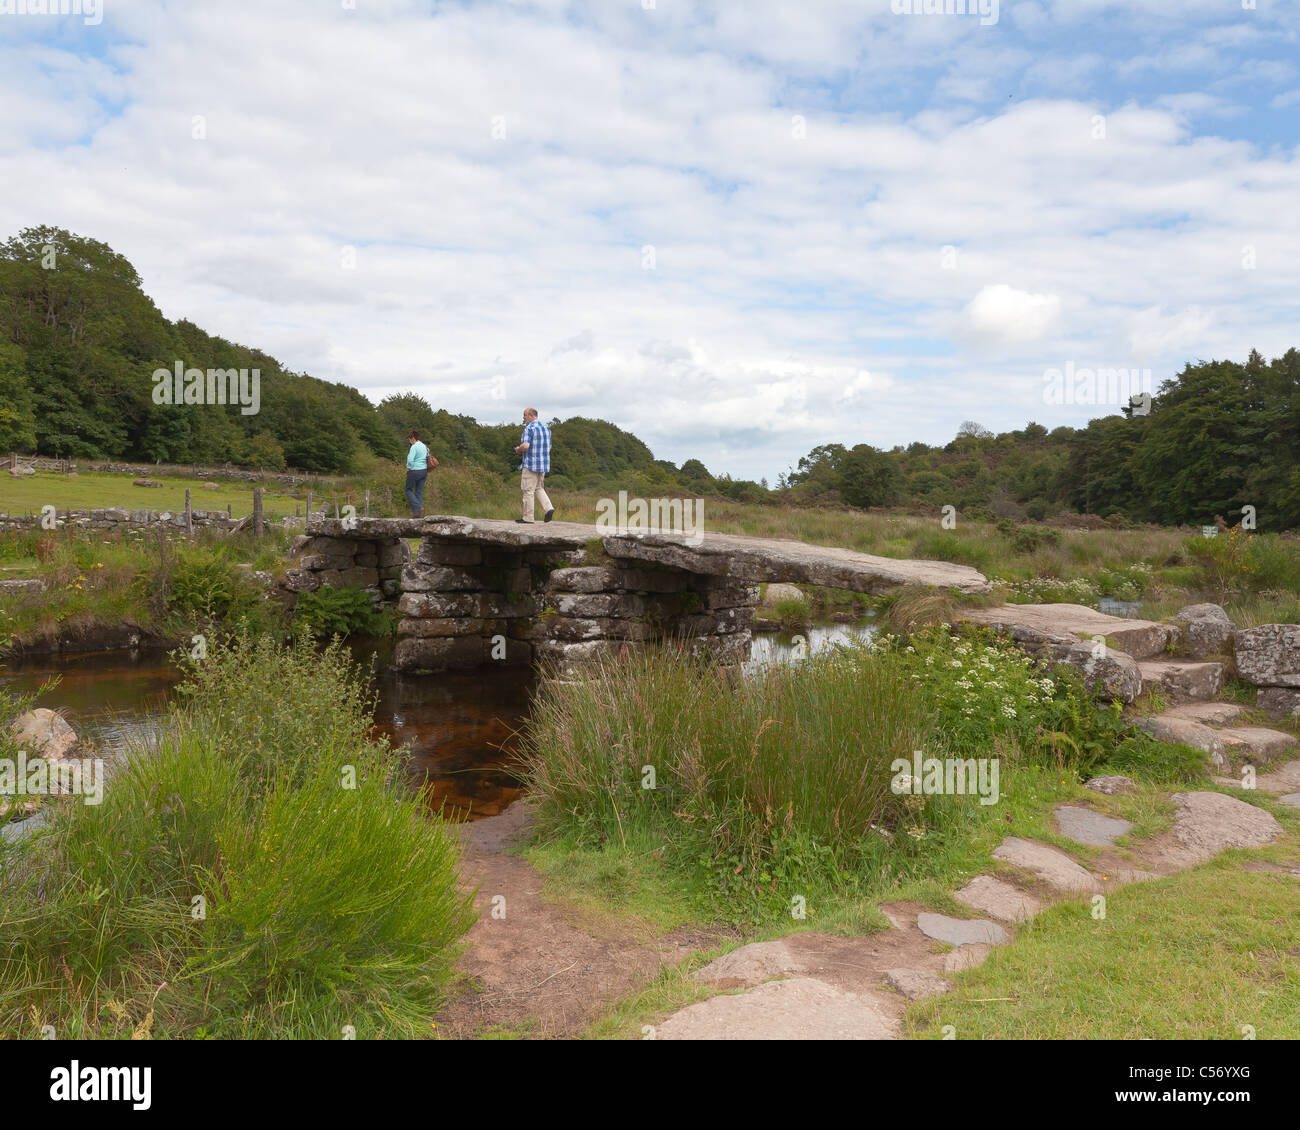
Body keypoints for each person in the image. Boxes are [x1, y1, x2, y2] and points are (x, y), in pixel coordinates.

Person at [514, 407, 554, 523]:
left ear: (531, 415)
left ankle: (528, 517)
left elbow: (525, 446)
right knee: (539, 488)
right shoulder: (547, 429)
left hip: (531, 464)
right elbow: (549, 447)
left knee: (528, 490)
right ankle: (549, 508)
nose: (523, 417)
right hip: (543, 464)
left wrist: (518, 449)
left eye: (525, 415)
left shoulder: (529, 428)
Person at [404, 430, 436, 517]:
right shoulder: (424, 446)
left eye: (410, 440)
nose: (410, 442)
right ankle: (418, 516)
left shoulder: (414, 447)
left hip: (414, 471)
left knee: (408, 490)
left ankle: (418, 507)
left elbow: (410, 460)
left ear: (413, 438)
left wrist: (408, 467)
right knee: (418, 492)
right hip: (424, 471)